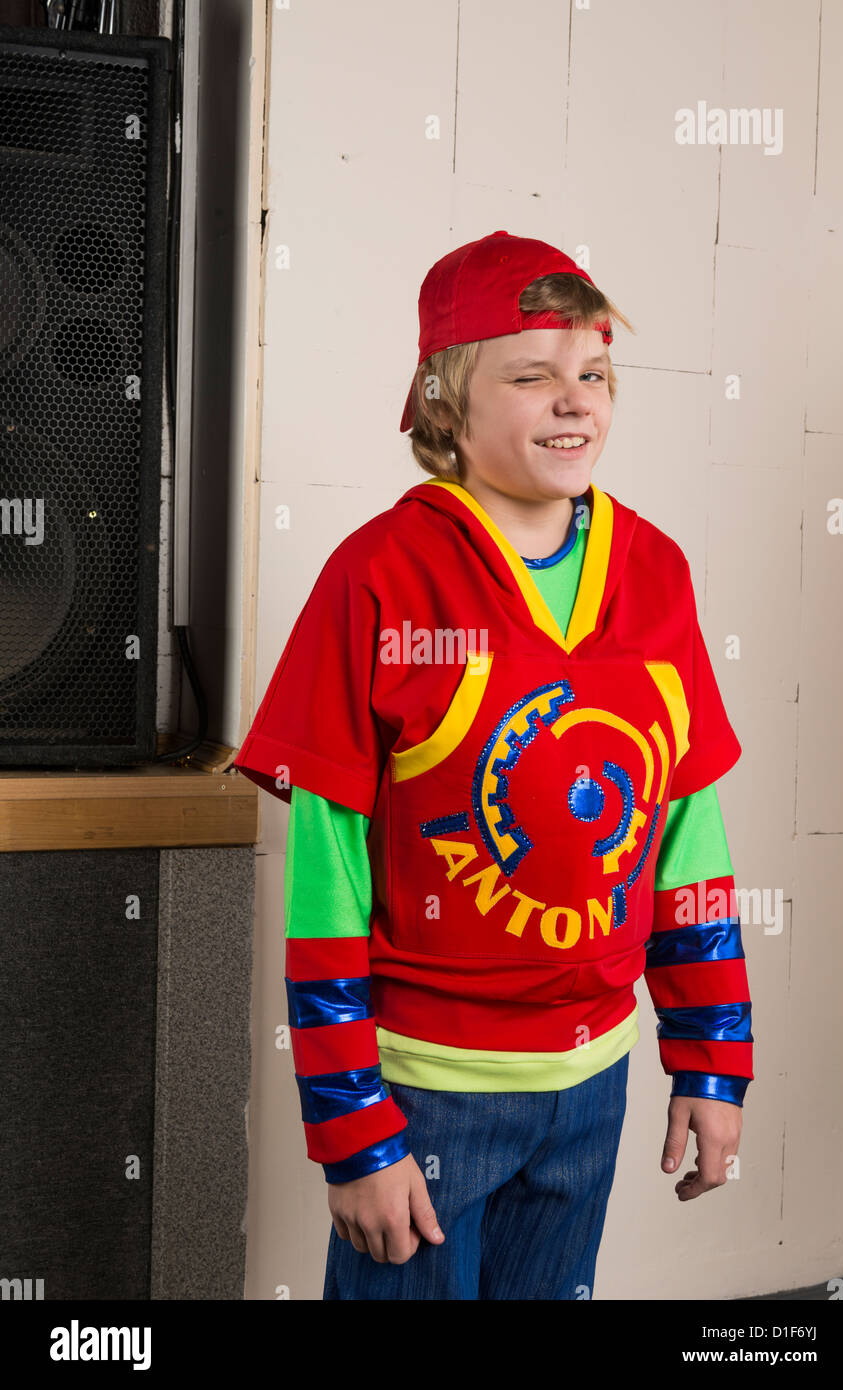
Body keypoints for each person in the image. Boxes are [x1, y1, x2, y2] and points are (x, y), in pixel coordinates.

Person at [234, 230, 754, 1300]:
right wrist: (354, 1130)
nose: (574, 402)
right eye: (532, 375)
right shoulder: (377, 575)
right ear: (445, 400)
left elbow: (686, 829)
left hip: (592, 1081)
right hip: (430, 1094)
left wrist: (710, 1051)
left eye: (594, 373)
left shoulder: (656, 571)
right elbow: (327, 876)